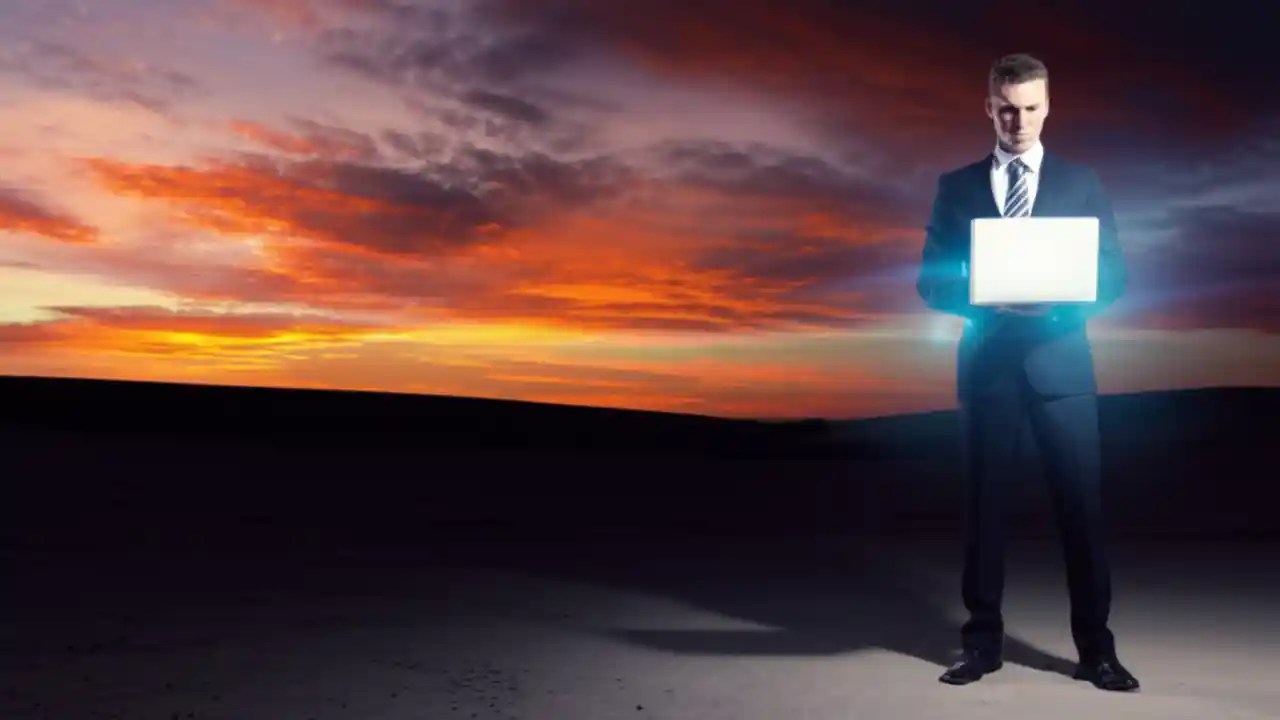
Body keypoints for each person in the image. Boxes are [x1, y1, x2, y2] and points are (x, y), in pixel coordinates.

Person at [915, 53, 1139, 692]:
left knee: (1082, 512)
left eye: (1031, 107)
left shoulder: (1082, 181)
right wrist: (983, 294)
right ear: (988, 107)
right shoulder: (954, 186)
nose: (1019, 120)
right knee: (983, 512)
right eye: (1007, 108)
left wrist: (1063, 300)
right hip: (988, 368)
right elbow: (930, 280)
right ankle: (980, 646)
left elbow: (1116, 274)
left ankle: (1097, 652)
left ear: (1048, 105)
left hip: (1062, 368)